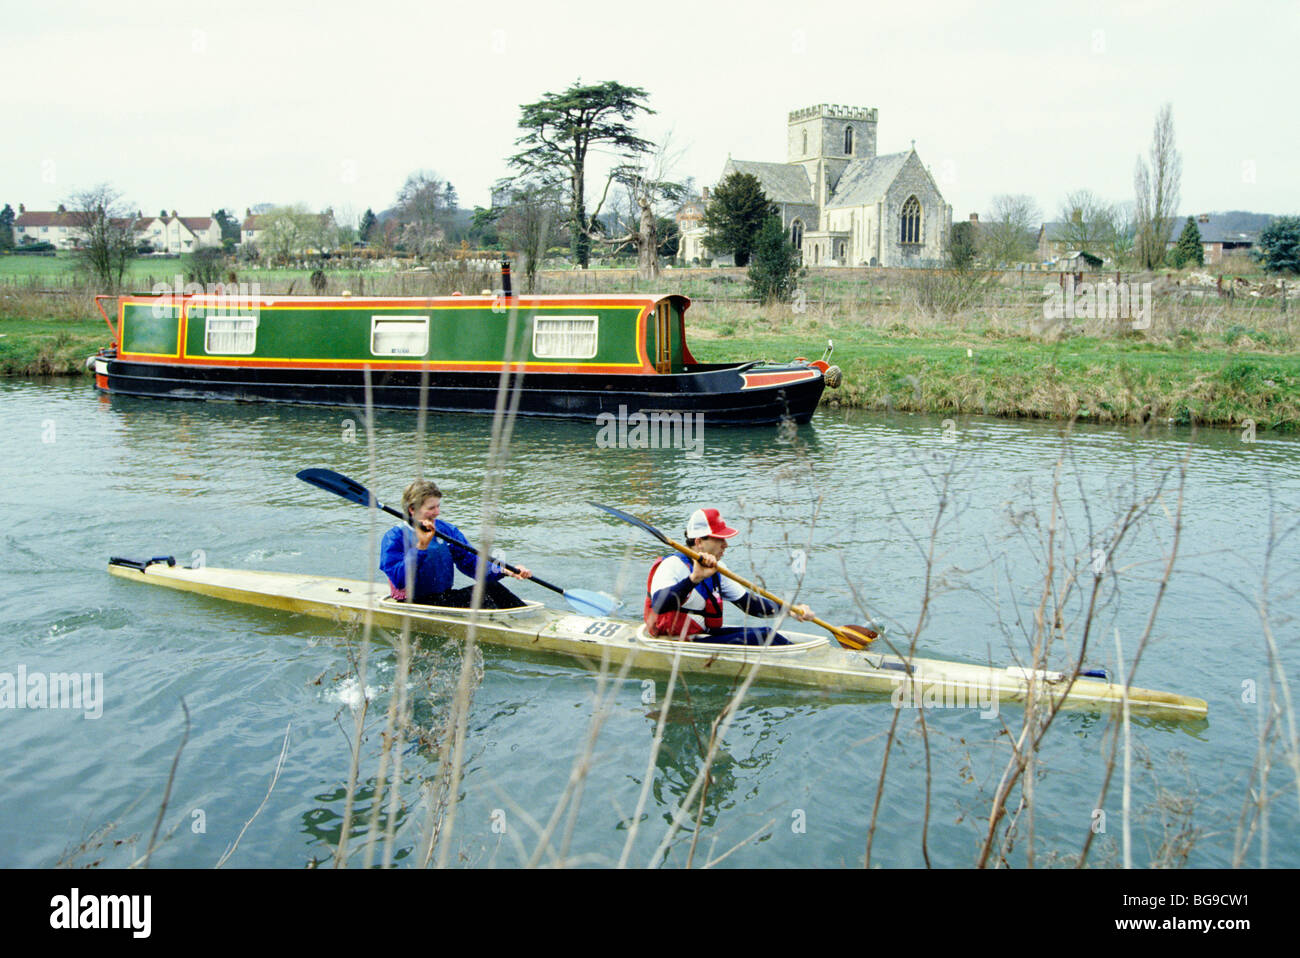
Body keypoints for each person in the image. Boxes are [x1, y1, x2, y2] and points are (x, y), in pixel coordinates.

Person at [644, 507, 814, 646]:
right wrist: (694, 579)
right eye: (719, 539)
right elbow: (658, 605)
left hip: (701, 634)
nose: (725, 545)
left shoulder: (718, 569)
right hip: (672, 640)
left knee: (768, 633)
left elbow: (750, 605)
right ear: (699, 542)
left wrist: (789, 610)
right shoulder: (672, 565)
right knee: (764, 637)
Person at [380, 479, 531, 609]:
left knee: (492, 588)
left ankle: (527, 623)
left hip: (444, 597)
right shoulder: (394, 537)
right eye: (431, 508)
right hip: (414, 602)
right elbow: (399, 580)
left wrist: (505, 570)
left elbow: (472, 563)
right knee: (487, 600)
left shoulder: (446, 530)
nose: (437, 512)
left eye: (438, 506)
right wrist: (421, 547)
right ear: (412, 509)